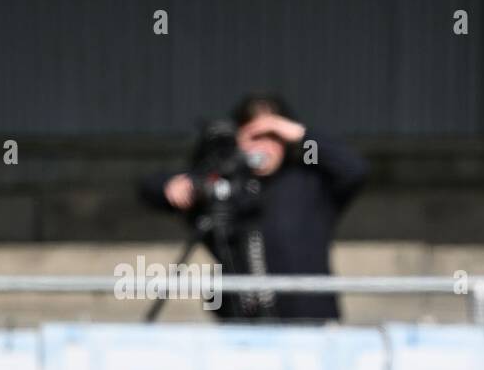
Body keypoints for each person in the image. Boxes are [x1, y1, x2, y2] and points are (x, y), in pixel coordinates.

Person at [140, 93, 368, 321]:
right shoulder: (225, 185)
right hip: (241, 326)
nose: (264, 146)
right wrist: (175, 185)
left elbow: (353, 169)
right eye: (255, 137)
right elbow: (150, 190)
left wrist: (300, 134)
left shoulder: (307, 181)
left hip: (309, 324)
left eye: (273, 137)